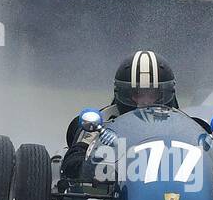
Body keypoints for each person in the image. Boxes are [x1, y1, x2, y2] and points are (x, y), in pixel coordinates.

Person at [60, 50, 179, 180]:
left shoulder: (184, 124)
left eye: (152, 95)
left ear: (165, 94)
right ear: (124, 94)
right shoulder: (103, 121)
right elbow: (72, 165)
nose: (145, 101)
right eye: (138, 94)